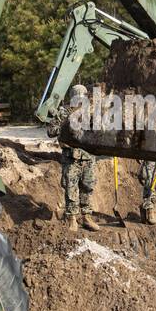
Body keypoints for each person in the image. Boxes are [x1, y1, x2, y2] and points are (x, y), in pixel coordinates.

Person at [48, 84, 99, 231]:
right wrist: (66, 126)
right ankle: (72, 219)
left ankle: (87, 217)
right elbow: (51, 131)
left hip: (88, 156)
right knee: (71, 188)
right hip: (71, 157)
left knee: (88, 187)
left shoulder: (91, 111)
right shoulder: (64, 112)